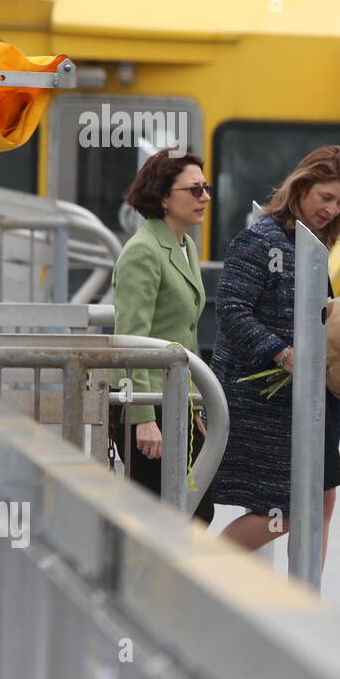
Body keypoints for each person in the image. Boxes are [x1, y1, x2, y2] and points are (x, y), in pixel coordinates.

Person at [208, 145, 340, 572]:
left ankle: (307, 601)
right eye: (325, 197)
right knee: (289, 508)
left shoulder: (308, 242)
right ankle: (202, 572)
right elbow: (231, 310)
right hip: (264, 400)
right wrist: (281, 352)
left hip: (306, 397)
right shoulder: (261, 239)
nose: (331, 209)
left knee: (323, 497)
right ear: (302, 187)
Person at [110, 151, 216, 524]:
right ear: (164, 197)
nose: (205, 196)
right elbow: (130, 339)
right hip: (149, 403)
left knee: (193, 508)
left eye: (206, 187)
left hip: (177, 400)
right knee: (175, 514)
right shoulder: (143, 252)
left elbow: (183, 333)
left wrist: (197, 404)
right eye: (194, 189)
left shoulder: (184, 246)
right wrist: (141, 418)